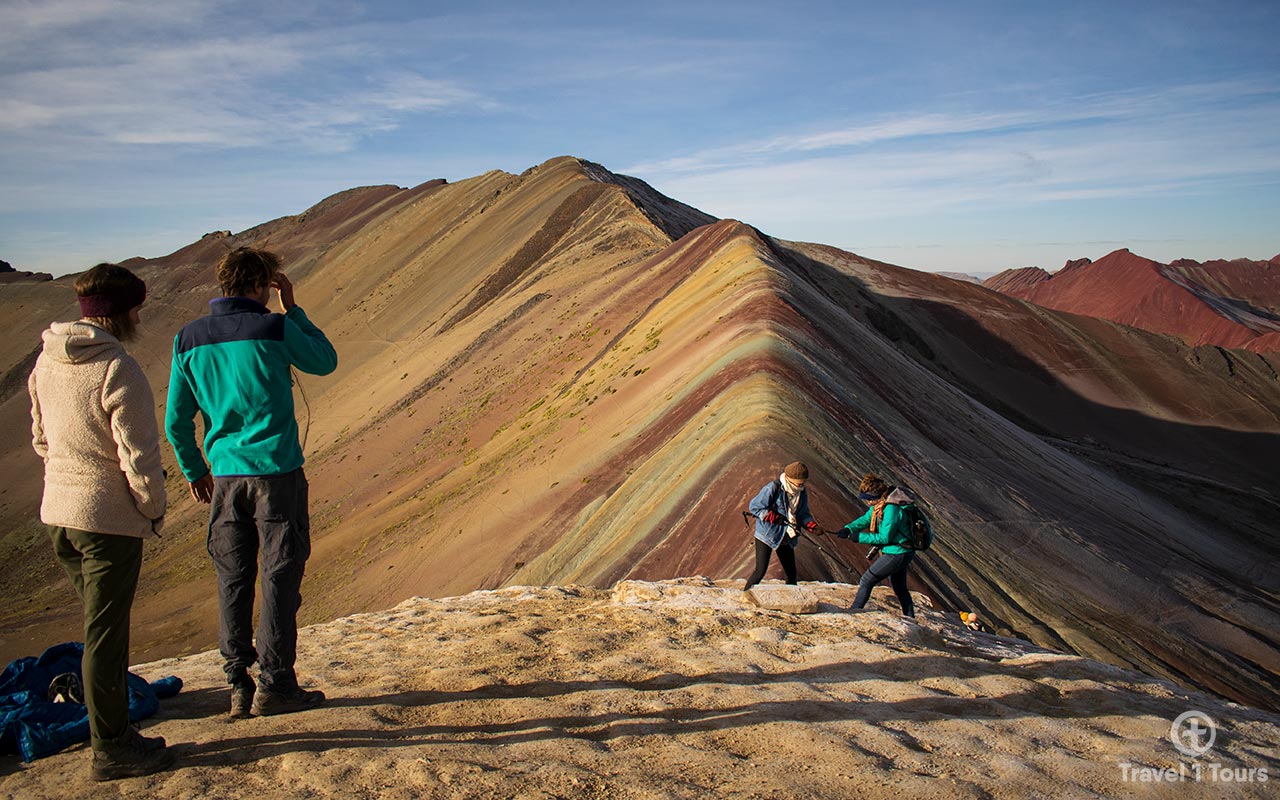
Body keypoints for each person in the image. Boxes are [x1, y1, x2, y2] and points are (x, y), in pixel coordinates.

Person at [165, 247, 337, 718]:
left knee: (232, 578)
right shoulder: (274, 325)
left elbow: (176, 422)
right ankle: (276, 683)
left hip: (223, 479)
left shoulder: (188, 338)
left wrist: (194, 469)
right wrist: (293, 308)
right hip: (276, 474)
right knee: (279, 575)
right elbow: (324, 361)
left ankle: (237, 684)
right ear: (263, 284)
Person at [28, 263, 175, 780]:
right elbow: (138, 455)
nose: (140, 316)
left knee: (99, 631)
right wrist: (153, 508)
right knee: (106, 636)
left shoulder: (46, 360)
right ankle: (112, 749)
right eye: (136, 307)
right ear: (123, 312)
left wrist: (66, 479)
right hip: (106, 519)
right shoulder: (118, 368)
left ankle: (112, 733)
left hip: (59, 516)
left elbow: (41, 439)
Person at [833, 473, 925, 617]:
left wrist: (859, 537)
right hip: (902, 551)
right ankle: (909, 616)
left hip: (897, 552)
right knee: (899, 587)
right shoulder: (882, 505)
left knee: (867, 580)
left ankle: (854, 611)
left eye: (869, 499)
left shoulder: (891, 510)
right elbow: (866, 519)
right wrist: (849, 528)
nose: (868, 502)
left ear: (876, 496)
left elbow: (884, 538)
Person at [744, 461, 819, 590]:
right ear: (790, 479)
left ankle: (793, 600)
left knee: (791, 573)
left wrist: (810, 524)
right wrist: (772, 517)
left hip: (786, 536)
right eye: (799, 482)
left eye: (803, 482)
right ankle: (746, 595)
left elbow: (803, 513)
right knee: (760, 571)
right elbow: (755, 507)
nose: (802, 485)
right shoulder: (773, 488)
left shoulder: (801, 491)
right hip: (767, 534)